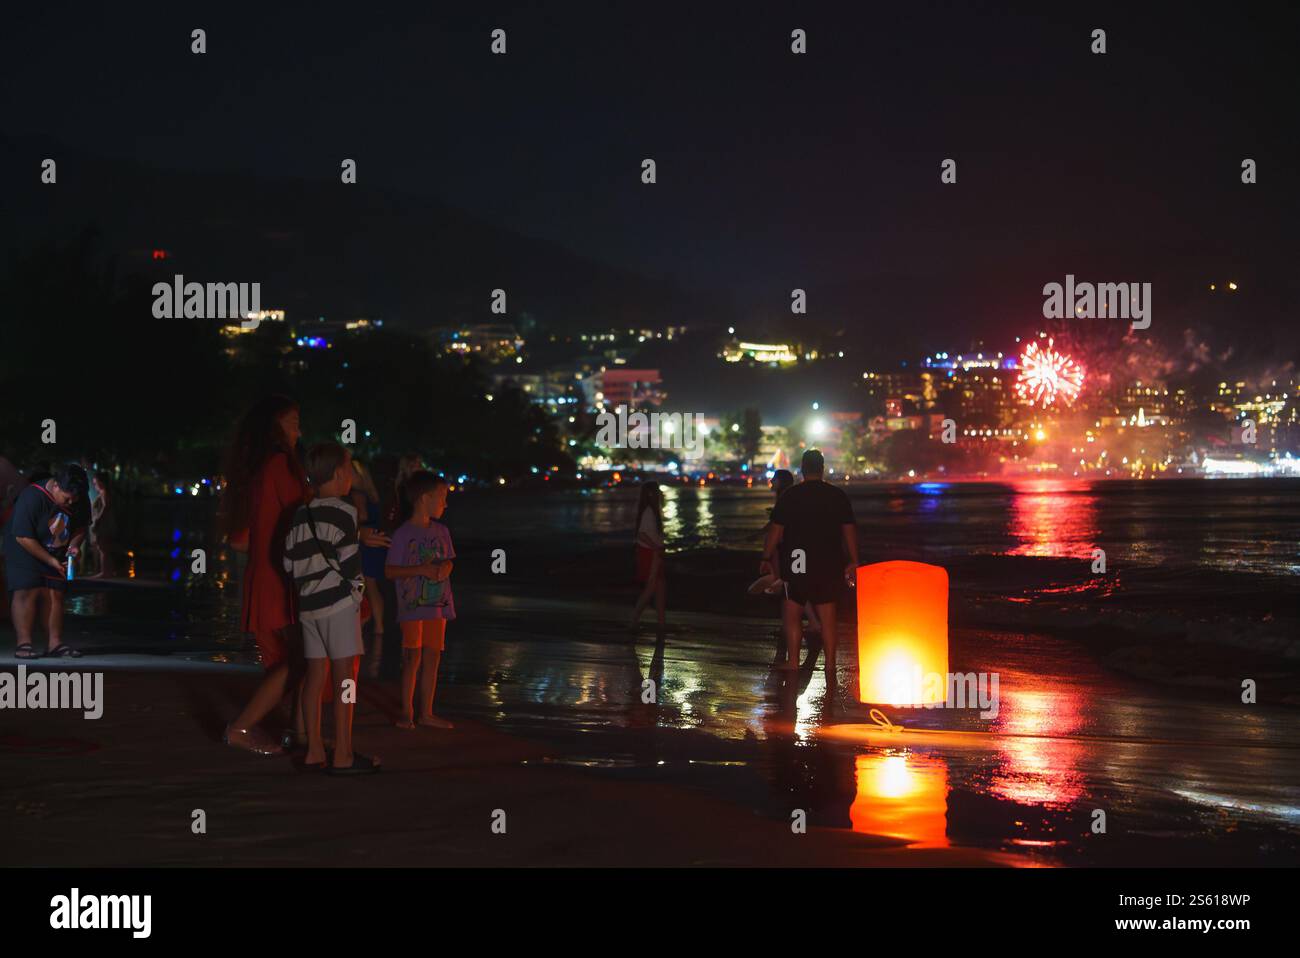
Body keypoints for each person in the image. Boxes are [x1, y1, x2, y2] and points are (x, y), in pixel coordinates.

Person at [283, 443, 380, 774]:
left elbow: (288, 561)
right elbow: (351, 564)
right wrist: (357, 595)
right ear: (340, 474)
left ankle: (313, 750)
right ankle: (343, 754)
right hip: (337, 606)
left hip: (308, 606)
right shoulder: (345, 511)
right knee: (344, 682)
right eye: (350, 468)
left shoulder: (301, 512)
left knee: (314, 678)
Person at [221, 395, 309, 756]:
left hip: (261, 576)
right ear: (274, 426)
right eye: (293, 423)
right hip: (281, 576)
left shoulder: (254, 471)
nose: (299, 432)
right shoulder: (280, 466)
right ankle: (242, 726)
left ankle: (298, 733)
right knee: (303, 659)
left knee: (286, 662)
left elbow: (239, 541)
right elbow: (304, 517)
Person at [760, 449, 859, 680]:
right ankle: (830, 665)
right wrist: (854, 560)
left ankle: (793, 662)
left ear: (802, 469)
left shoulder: (790, 496)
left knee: (792, 611)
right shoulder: (837, 496)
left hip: (797, 562)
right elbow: (849, 530)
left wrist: (765, 558)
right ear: (822, 468)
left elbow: (776, 530)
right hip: (829, 561)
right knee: (827, 616)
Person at [385, 471, 455, 729]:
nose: (445, 504)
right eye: (442, 498)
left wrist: (446, 566)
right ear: (425, 498)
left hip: (438, 605)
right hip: (413, 605)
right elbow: (390, 571)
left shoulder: (442, 531)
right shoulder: (403, 534)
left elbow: (447, 560)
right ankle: (407, 711)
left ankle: (426, 713)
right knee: (412, 658)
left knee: (433, 657)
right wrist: (421, 570)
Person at [2, 463, 89, 658]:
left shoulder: (79, 498)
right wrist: (50, 561)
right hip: (23, 544)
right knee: (26, 590)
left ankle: (55, 643)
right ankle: (24, 643)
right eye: (67, 499)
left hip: (55, 544)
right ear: (56, 486)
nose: (71, 503)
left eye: (75, 500)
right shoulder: (32, 496)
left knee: (55, 591)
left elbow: (81, 527)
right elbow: (23, 536)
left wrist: (74, 547)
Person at [767, 469, 820, 664]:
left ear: (781, 482)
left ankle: (810, 624)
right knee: (791, 587)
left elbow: (779, 527)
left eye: (774, 479)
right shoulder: (794, 498)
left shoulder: (785, 499)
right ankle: (795, 624)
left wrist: (769, 552)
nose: (771, 482)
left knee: (791, 588)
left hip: (789, 550)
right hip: (795, 550)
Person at [350, 458, 390, 675]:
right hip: (375, 541)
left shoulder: (356, 494)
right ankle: (379, 627)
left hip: (365, 542)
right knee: (372, 584)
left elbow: (362, 517)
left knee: (365, 584)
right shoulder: (372, 494)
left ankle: (369, 627)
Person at [629, 481, 666, 631]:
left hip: (654, 552)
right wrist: (656, 546)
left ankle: (662, 624)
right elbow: (642, 534)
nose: (659, 494)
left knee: (660, 588)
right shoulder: (649, 512)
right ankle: (634, 621)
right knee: (651, 589)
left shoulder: (651, 511)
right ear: (652, 494)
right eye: (657, 491)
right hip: (650, 553)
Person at [86, 472, 118, 578]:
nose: (94, 485)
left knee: (103, 548)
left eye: (96, 483)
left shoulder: (104, 492)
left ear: (101, 482)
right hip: (104, 523)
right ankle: (109, 571)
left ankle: (104, 572)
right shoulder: (104, 492)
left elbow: (105, 507)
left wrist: (97, 521)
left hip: (103, 525)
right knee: (104, 548)